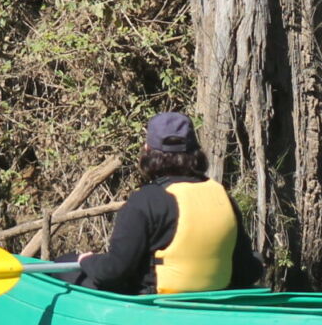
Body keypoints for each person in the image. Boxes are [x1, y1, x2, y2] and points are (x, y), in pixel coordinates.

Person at [70, 112, 265, 294]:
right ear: (196, 152)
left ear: (147, 152)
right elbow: (247, 271)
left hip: (159, 301)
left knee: (66, 266)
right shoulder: (223, 197)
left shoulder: (144, 201)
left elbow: (113, 271)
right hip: (214, 299)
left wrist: (87, 261)